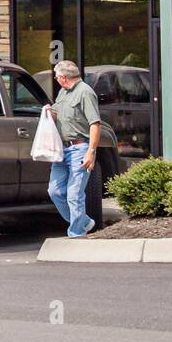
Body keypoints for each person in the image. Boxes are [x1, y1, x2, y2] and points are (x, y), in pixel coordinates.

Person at [44, 60, 103, 237]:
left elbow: (95, 124)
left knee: (74, 194)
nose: (55, 79)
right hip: (62, 150)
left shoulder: (85, 93)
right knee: (55, 191)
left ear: (62, 78)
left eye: (56, 76)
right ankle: (84, 221)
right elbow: (59, 114)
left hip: (80, 148)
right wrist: (49, 111)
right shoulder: (63, 92)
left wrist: (91, 152)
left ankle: (76, 233)